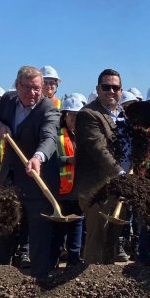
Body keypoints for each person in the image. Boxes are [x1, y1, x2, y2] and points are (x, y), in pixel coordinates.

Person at [0, 66, 61, 278]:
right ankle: (0, 278)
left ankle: (39, 283)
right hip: (9, 179)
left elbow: (49, 138)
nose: (33, 93)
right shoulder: (8, 100)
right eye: (27, 88)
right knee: (4, 230)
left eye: (37, 88)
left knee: (38, 235)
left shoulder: (49, 109)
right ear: (17, 85)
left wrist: (38, 157)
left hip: (38, 181)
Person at [75, 69, 128, 264]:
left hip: (119, 187)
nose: (111, 91)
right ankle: (89, 285)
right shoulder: (88, 115)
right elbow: (98, 149)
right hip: (96, 188)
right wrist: (121, 173)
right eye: (106, 87)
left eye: (115, 87)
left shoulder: (122, 115)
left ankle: (107, 285)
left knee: (113, 239)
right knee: (97, 238)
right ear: (98, 89)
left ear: (121, 91)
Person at [50, 93, 85, 268]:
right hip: (61, 189)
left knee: (77, 223)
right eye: (72, 115)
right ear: (65, 115)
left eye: (78, 115)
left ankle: (74, 258)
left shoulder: (84, 135)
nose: (75, 119)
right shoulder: (56, 136)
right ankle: (54, 260)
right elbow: (48, 162)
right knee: (60, 225)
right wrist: (68, 160)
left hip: (78, 189)